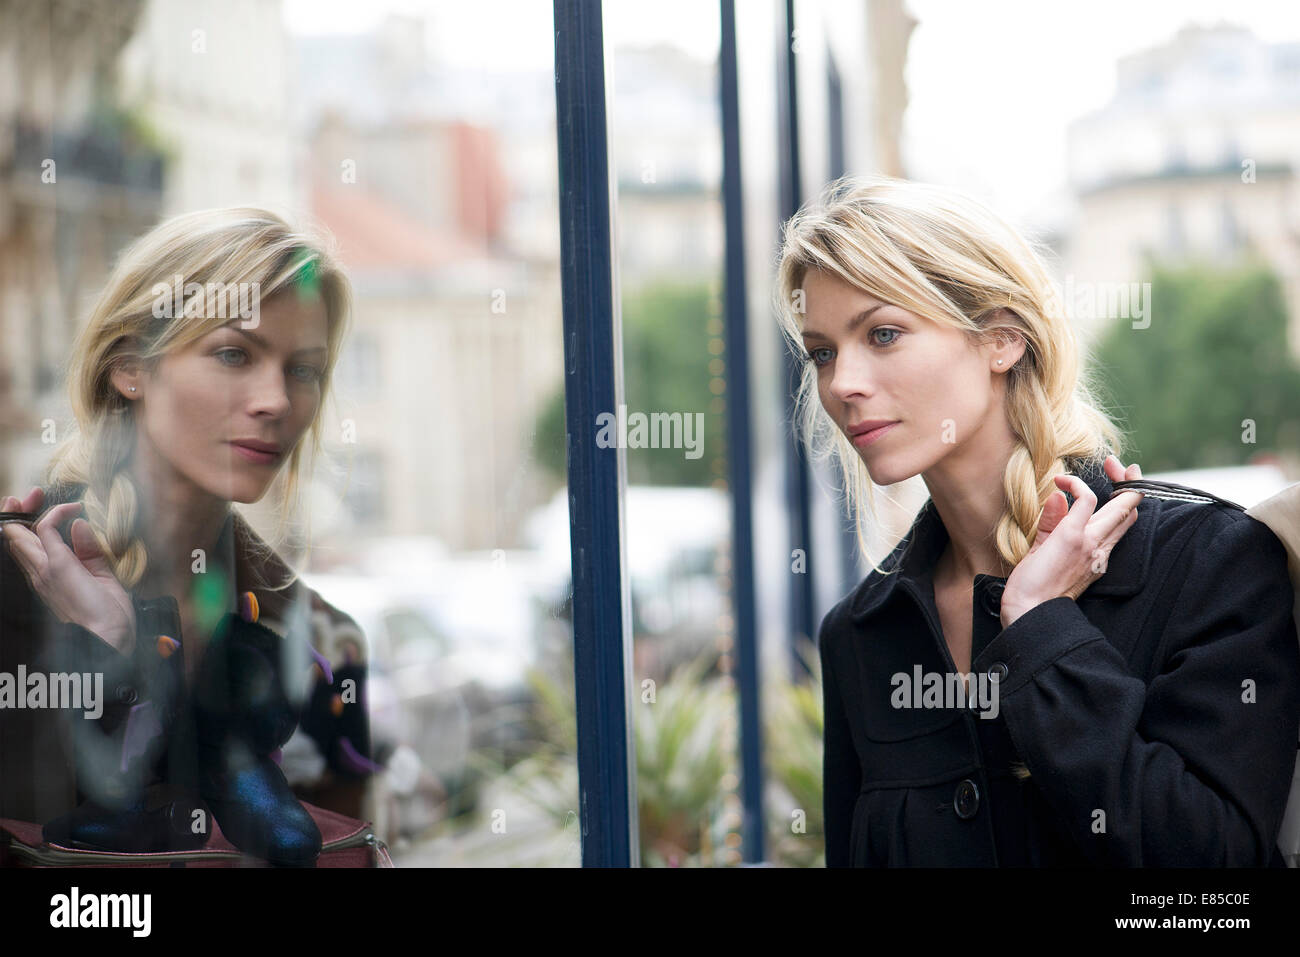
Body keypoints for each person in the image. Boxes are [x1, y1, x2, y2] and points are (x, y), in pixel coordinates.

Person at [776, 175, 1300, 867]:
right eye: (823, 351)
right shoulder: (862, 634)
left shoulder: (1206, 561)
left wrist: (1042, 631)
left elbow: (1211, 881)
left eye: (883, 332)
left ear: (1001, 340)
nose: (842, 382)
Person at [0, 207, 375, 866]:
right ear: (130, 367)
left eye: (304, 369)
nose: (277, 400)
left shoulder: (321, 640)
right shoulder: (11, 586)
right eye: (234, 353)